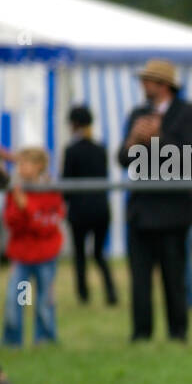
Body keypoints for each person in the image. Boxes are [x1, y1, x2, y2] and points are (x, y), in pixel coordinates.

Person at [117, 58, 192, 342]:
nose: (143, 85)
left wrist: (157, 138)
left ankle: (178, 332)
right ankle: (141, 333)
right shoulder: (138, 113)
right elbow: (123, 159)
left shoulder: (188, 113)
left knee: (173, 277)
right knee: (139, 278)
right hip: (141, 209)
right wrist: (133, 140)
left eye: (148, 80)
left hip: (173, 209)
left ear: (164, 85)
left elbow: (190, 155)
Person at [1, 147, 64, 346]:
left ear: (39, 166)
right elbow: (11, 222)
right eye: (19, 164)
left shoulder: (50, 191)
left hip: (45, 255)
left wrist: (26, 208)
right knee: (19, 299)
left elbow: (48, 224)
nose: (20, 168)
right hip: (23, 256)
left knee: (45, 300)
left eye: (25, 163)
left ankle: (44, 339)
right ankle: (13, 340)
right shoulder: (16, 191)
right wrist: (24, 210)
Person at [60, 105, 117, 306]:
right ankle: (111, 293)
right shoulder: (100, 148)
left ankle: (83, 295)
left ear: (74, 124)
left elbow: (66, 184)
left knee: (80, 255)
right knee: (100, 253)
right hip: (101, 209)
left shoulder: (71, 150)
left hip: (79, 211)